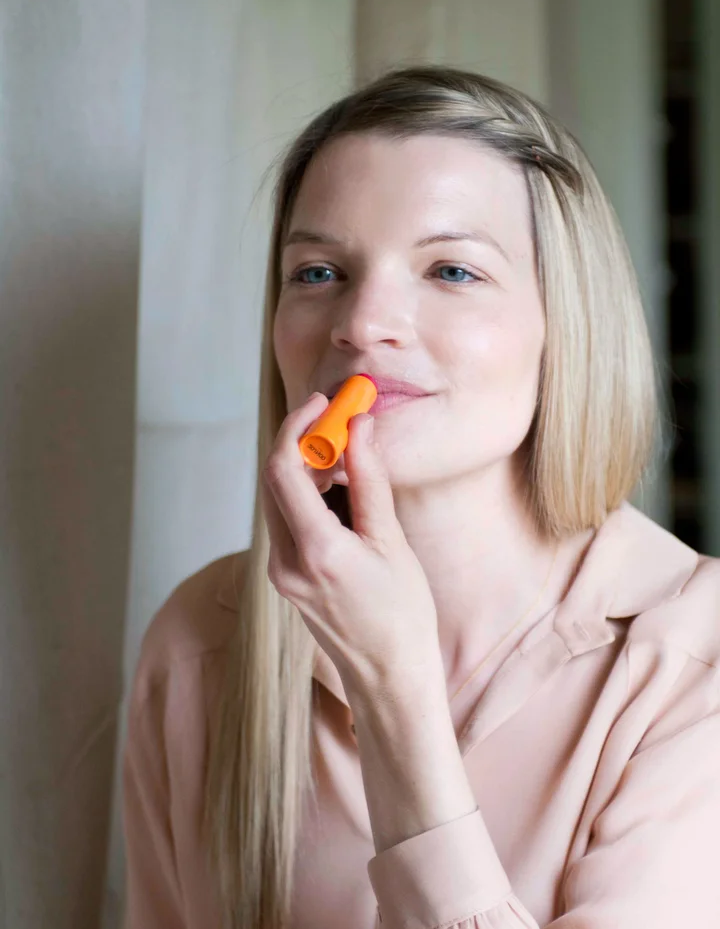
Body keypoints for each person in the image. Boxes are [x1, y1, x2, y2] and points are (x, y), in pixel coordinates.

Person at [121, 65, 720, 929]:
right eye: (318, 271)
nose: (362, 323)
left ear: (566, 323)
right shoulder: (197, 642)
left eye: (451, 270)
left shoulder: (696, 666)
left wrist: (392, 684)